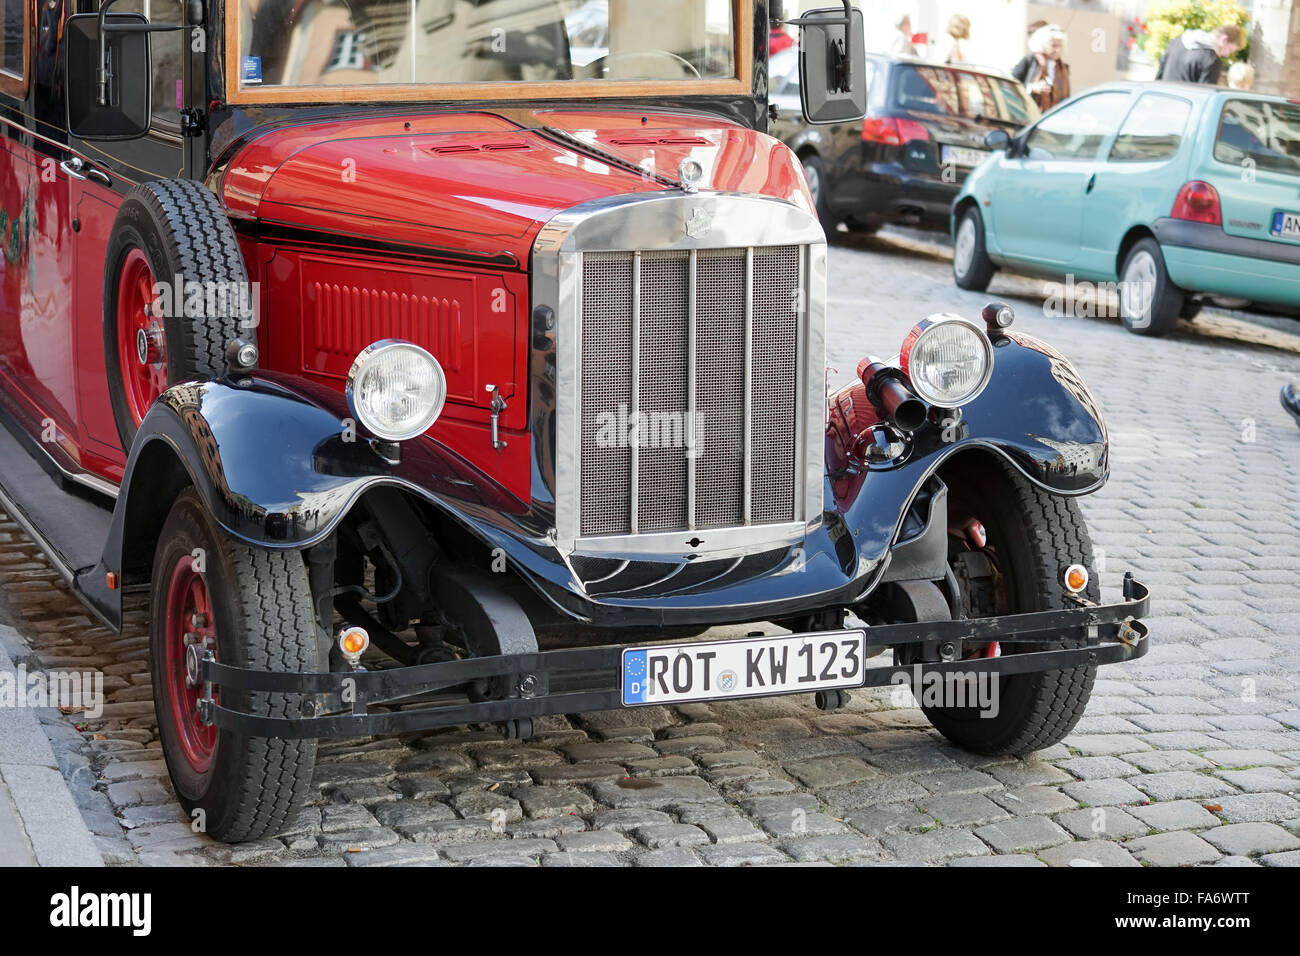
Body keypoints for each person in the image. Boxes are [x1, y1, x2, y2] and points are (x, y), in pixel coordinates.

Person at [1155, 24, 1245, 85]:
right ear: (1224, 39)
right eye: (1230, 49)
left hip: (1163, 101)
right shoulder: (1212, 60)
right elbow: (1205, 95)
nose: (1227, 55)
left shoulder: (1177, 41)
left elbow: (1160, 74)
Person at [1012, 24, 1070, 112]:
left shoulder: (1063, 68)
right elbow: (1011, 86)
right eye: (1053, 46)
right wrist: (1032, 88)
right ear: (1043, 44)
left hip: (1052, 116)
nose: (1057, 50)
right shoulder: (1030, 60)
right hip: (1029, 114)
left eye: (1060, 46)